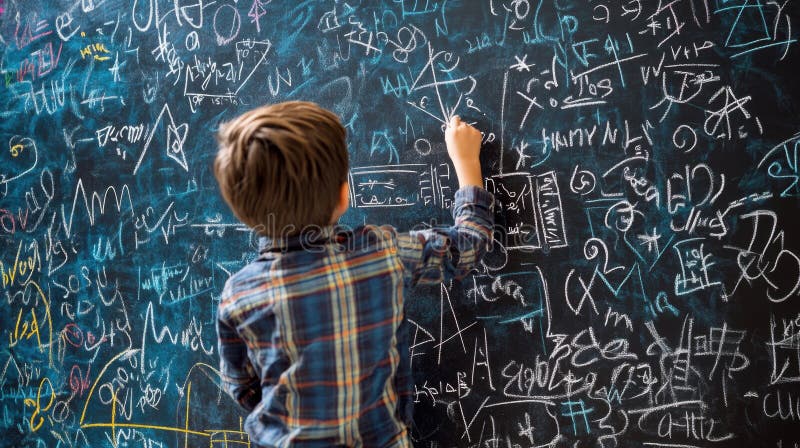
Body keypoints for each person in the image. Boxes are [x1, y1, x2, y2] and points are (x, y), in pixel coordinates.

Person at [213, 101, 495, 447]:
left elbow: (241, 385)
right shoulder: (379, 253)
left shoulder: (238, 293)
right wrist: (467, 164)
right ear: (344, 194)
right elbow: (468, 245)